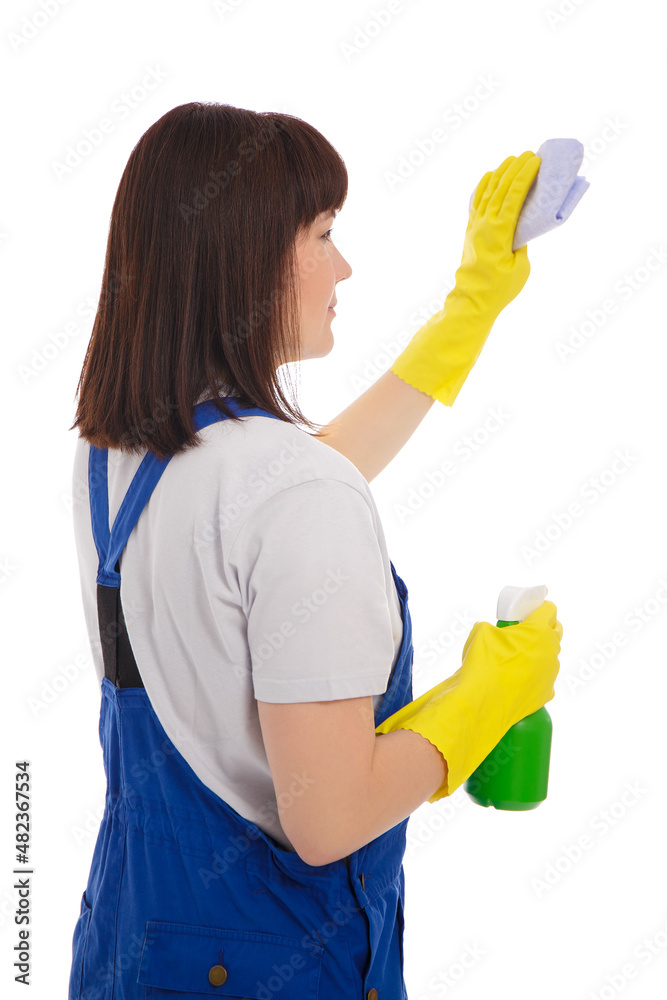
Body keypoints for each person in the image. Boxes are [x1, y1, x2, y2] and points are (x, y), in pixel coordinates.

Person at [66, 102, 562, 1000]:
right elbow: (328, 818)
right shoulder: (290, 491)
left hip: (130, 944)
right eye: (324, 233)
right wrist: (484, 701)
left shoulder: (115, 454)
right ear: (246, 257)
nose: (345, 265)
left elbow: (270, 503)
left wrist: (468, 311)